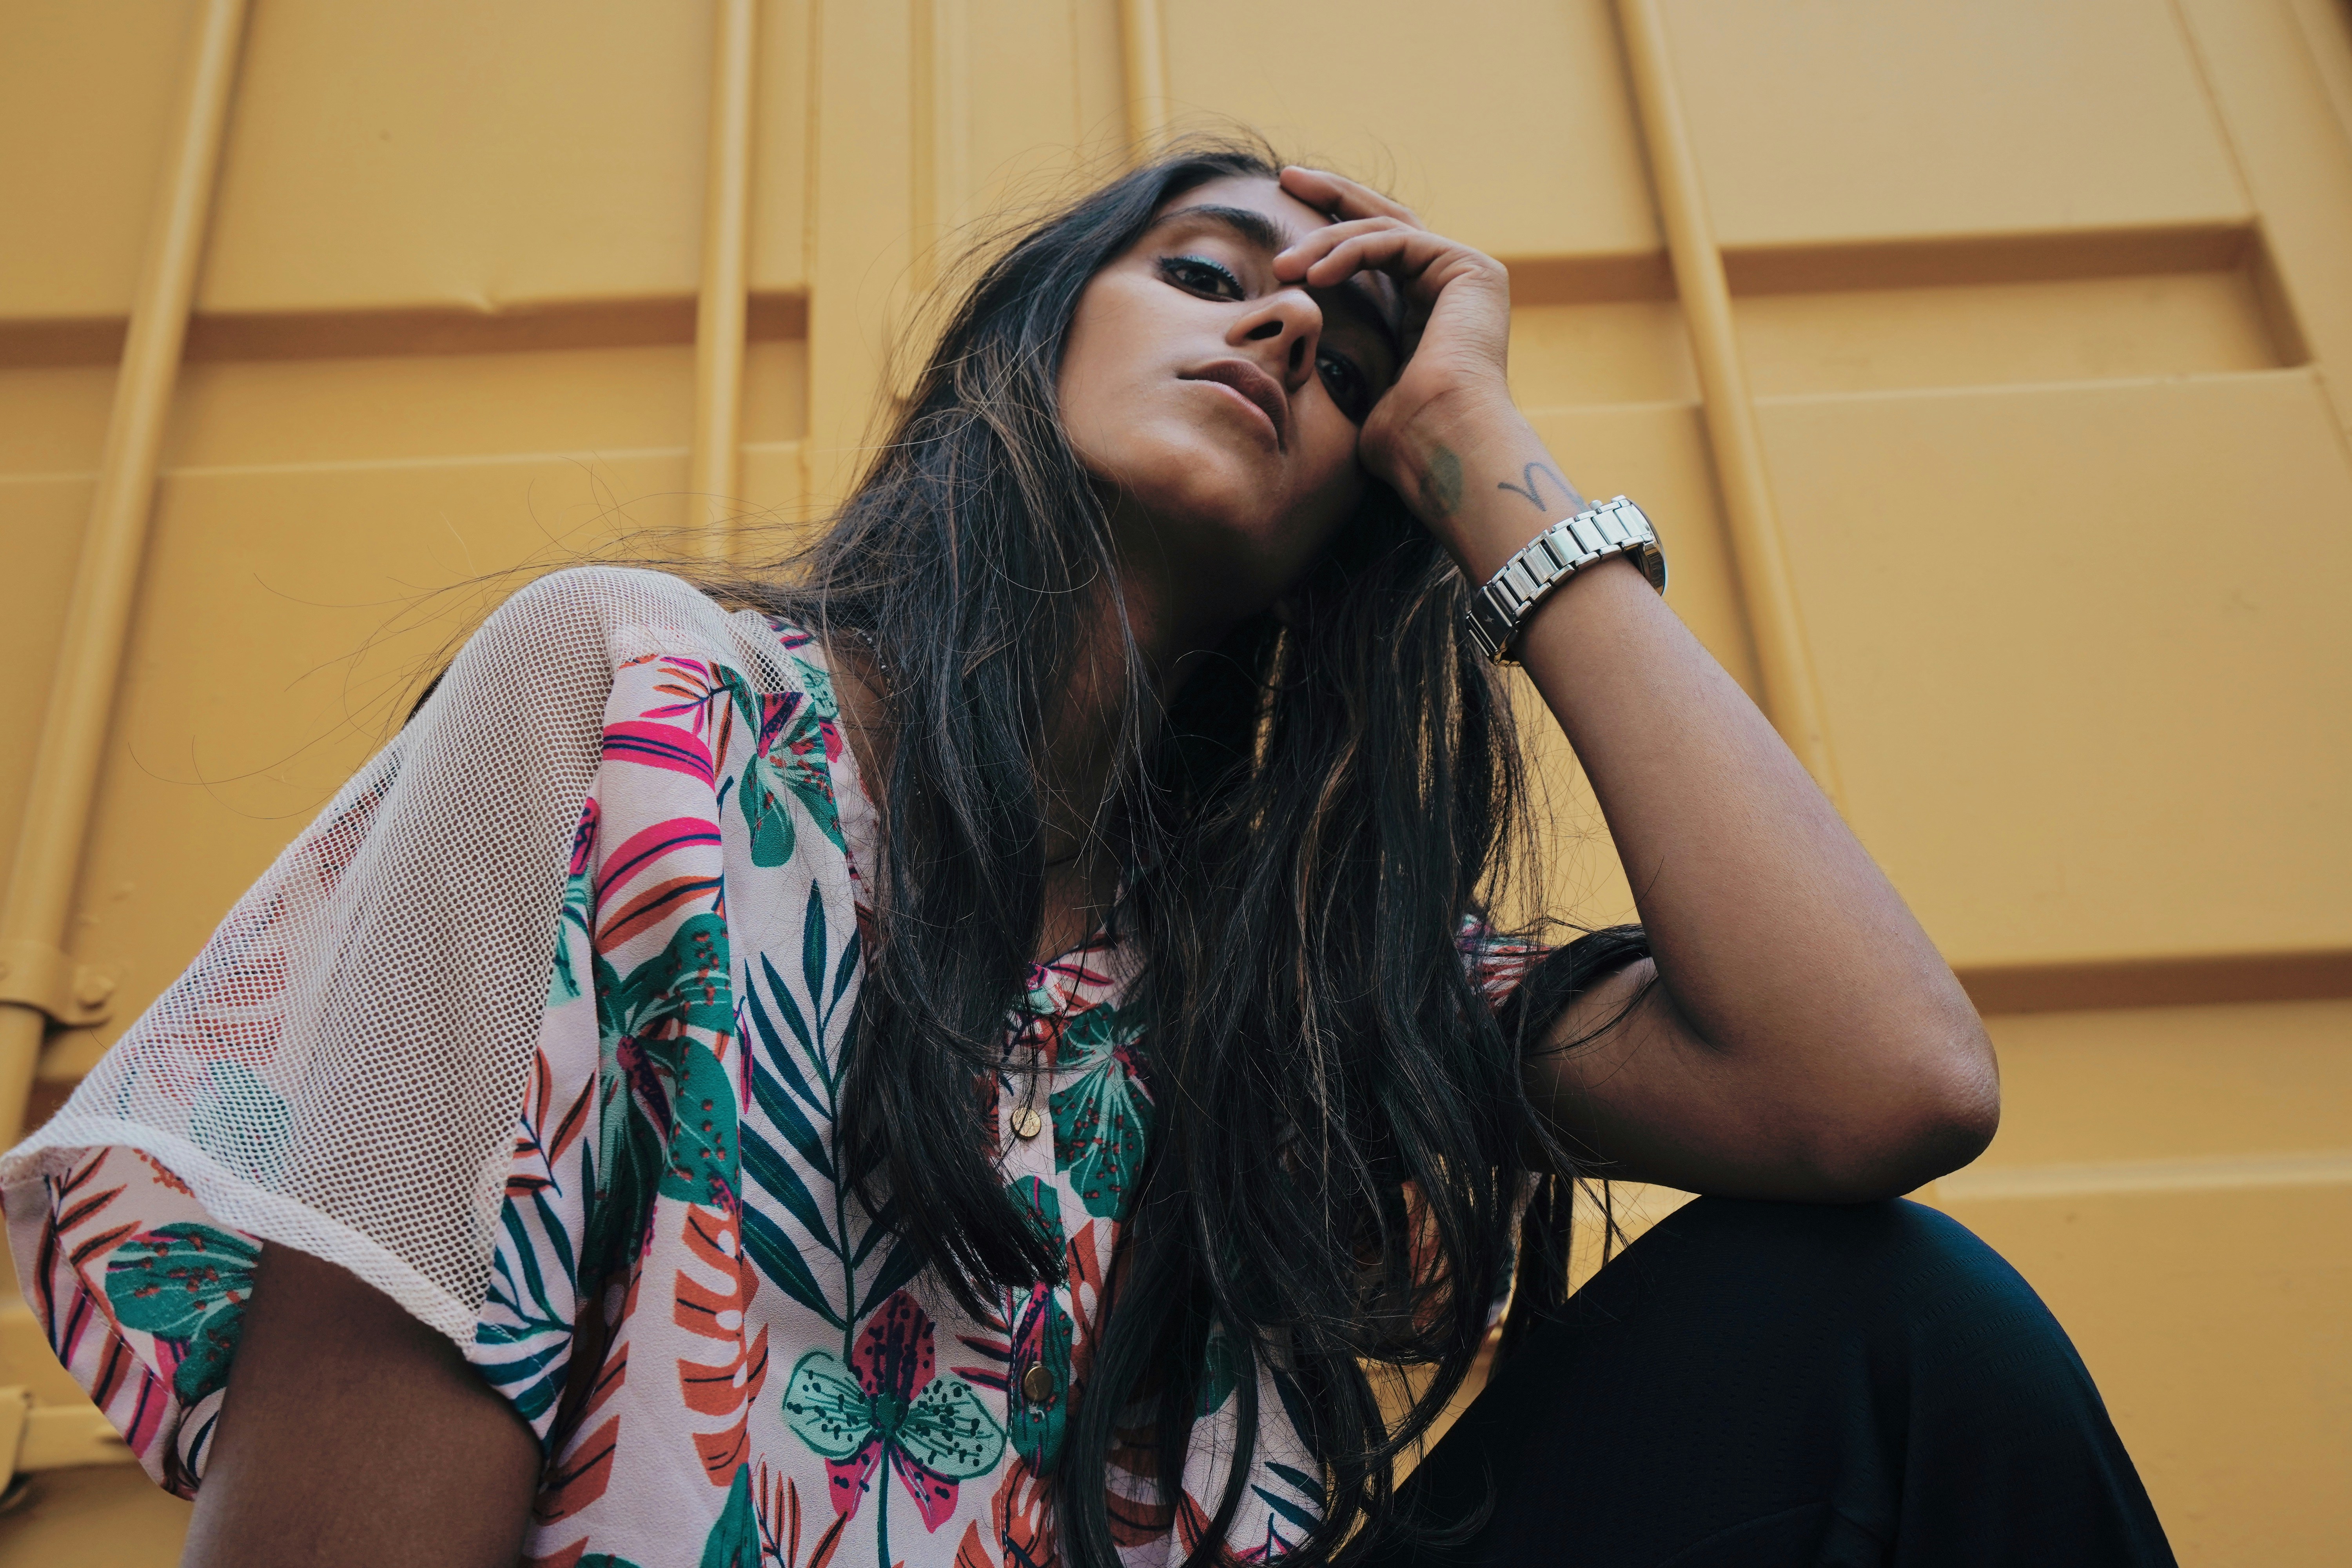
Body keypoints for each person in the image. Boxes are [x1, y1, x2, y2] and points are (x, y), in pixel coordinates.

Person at [2, 142, 2173, 1568]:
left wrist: (1483, 454)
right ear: (1026, 344)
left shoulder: (1331, 978)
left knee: (1877, 1321)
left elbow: (1885, 1082)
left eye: (1345, 361)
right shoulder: (637, 699)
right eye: (1206, 270)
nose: (1273, 331)